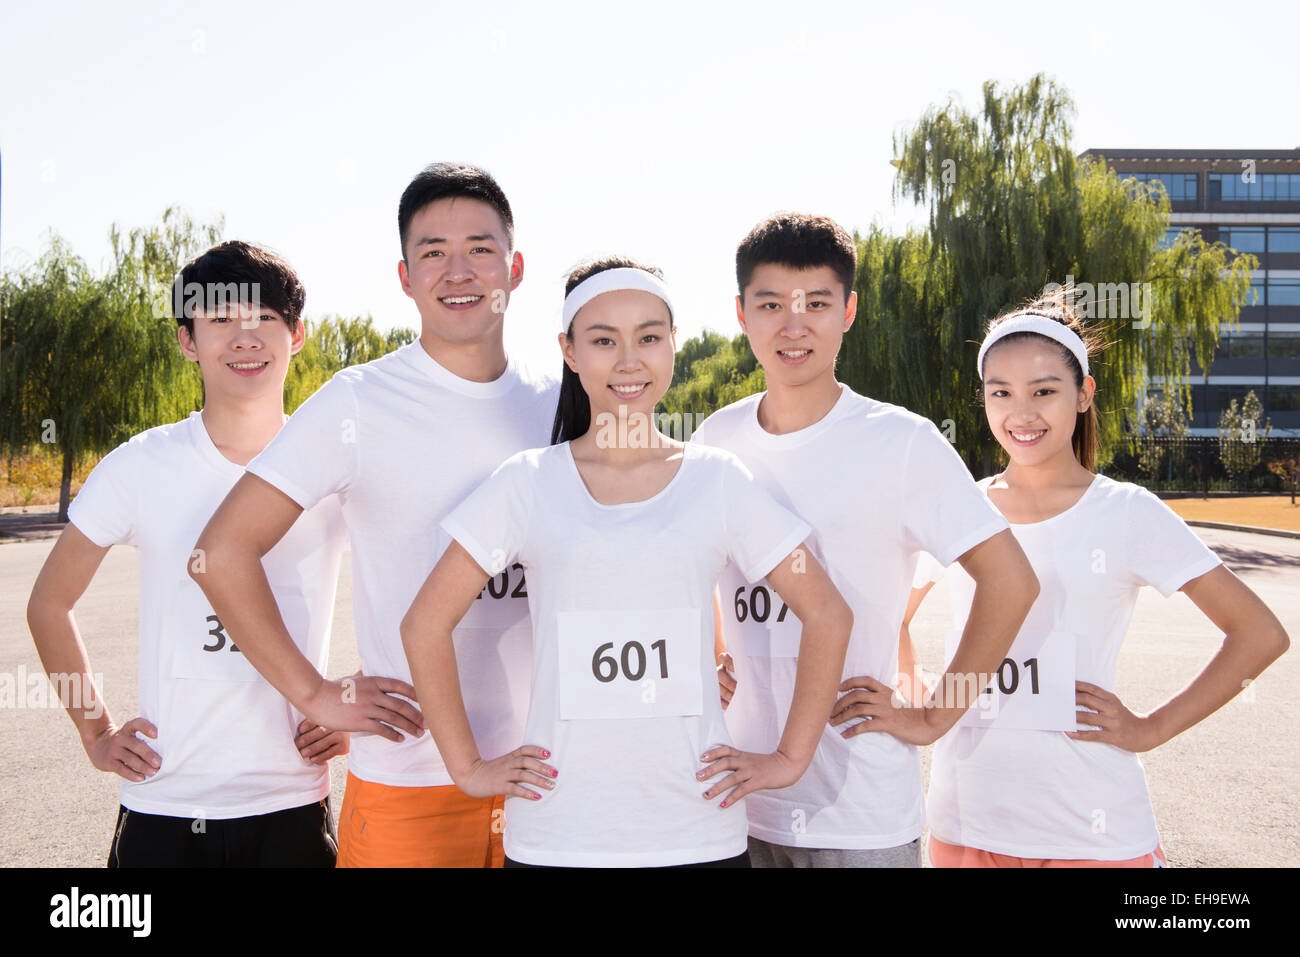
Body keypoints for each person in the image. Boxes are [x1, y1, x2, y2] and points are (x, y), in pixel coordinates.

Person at [400, 257, 853, 868]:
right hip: (557, 835)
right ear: (569, 350)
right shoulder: (528, 483)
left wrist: (789, 758)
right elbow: (424, 623)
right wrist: (469, 767)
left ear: (672, 345)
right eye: (603, 340)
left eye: (648, 337)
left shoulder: (717, 481)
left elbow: (826, 611)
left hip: (697, 831)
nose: (629, 360)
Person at [190, 163, 556, 868]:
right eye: (432, 253)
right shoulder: (358, 401)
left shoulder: (563, 400)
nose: (459, 271)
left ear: (513, 266)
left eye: (480, 249)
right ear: (404, 275)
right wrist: (315, 692)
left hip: (552, 774)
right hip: (409, 780)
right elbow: (220, 552)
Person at [694, 212, 1040, 867]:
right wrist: (708, 656)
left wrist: (934, 716)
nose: (793, 326)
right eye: (771, 304)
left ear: (848, 310)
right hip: (734, 799)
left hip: (860, 817)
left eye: (816, 304)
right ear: (741, 313)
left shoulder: (902, 442)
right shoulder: (715, 438)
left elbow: (1012, 581)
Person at [909, 286, 1290, 867]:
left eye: (1045, 391)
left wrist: (1150, 728)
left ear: (1083, 394)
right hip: (967, 824)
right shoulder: (961, 509)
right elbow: (890, 618)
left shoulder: (1126, 511)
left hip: (1093, 834)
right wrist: (916, 697)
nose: (1022, 413)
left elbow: (1260, 633)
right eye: (1001, 393)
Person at [28, 240, 347, 866]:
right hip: (165, 803)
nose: (245, 338)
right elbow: (49, 603)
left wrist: (350, 707)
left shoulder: (334, 468)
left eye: (265, 320)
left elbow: (413, 585)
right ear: (187, 340)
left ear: (298, 335)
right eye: (221, 320)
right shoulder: (142, 465)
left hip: (292, 802)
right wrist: (96, 731)